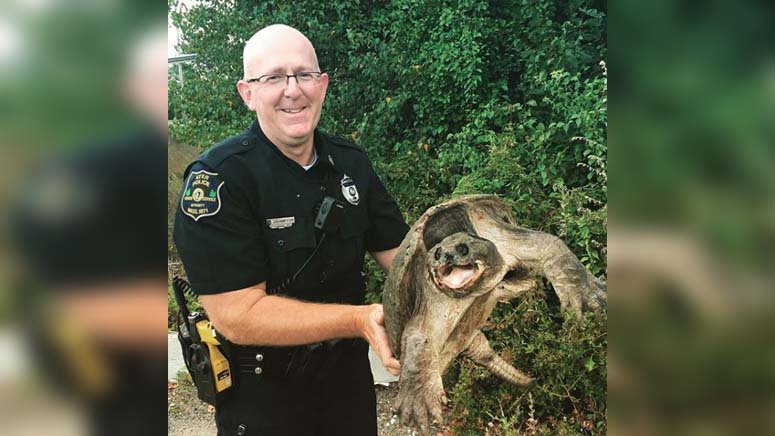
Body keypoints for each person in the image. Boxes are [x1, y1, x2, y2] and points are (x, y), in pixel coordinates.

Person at [173, 24, 409, 436]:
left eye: (303, 75)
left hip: (348, 392)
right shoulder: (219, 180)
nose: (292, 90)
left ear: (322, 85)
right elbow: (237, 316)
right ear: (248, 93)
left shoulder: (351, 164)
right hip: (265, 402)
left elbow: (406, 261)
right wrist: (358, 320)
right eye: (274, 77)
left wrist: (468, 270)